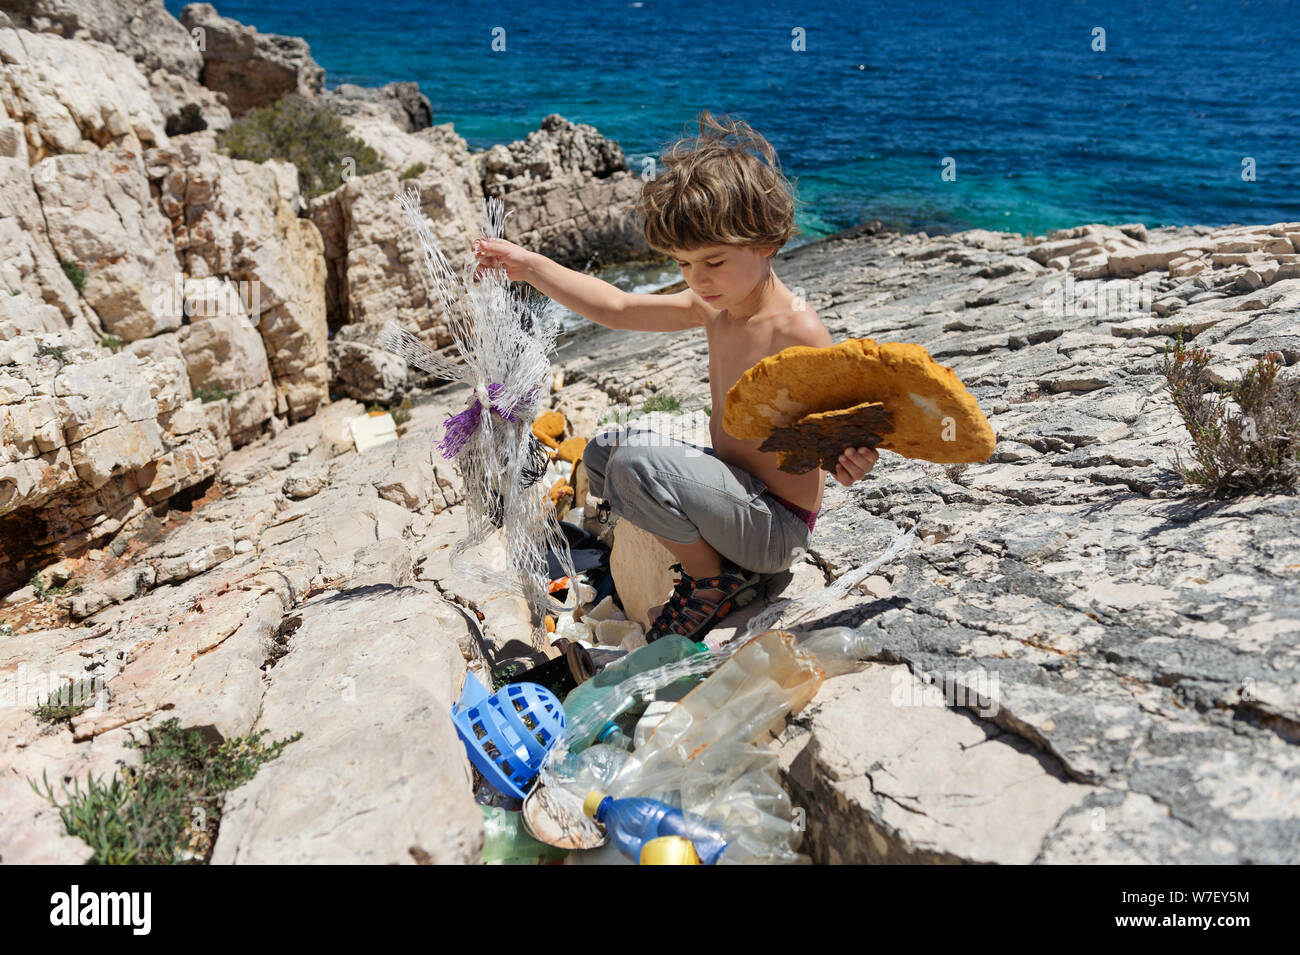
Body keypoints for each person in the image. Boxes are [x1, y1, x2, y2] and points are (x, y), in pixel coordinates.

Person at [471, 110, 878, 643]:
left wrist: (855, 455)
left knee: (636, 465)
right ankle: (693, 548)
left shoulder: (796, 329)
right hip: (736, 494)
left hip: (775, 526)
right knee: (604, 450)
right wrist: (531, 267)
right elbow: (618, 306)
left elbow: (850, 429)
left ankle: (714, 583)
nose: (698, 280)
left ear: (767, 243)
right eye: (684, 265)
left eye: (712, 261)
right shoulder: (718, 305)